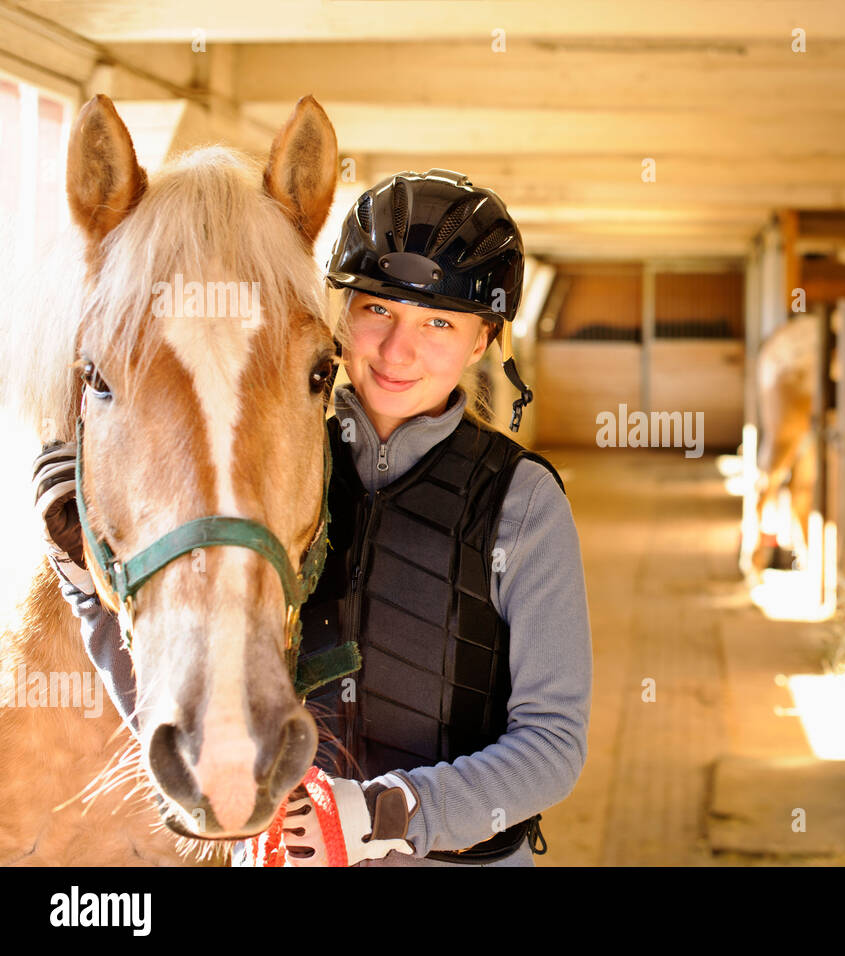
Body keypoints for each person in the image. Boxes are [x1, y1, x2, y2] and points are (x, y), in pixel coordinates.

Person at [34, 168, 593, 867]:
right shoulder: (278, 471)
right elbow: (191, 692)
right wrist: (87, 586)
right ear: (341, 315)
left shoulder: (523, 501)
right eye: (378, 310)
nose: (397, 351)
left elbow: (553, 746)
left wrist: (378, 817)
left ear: (482, 343)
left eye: (439, 324)